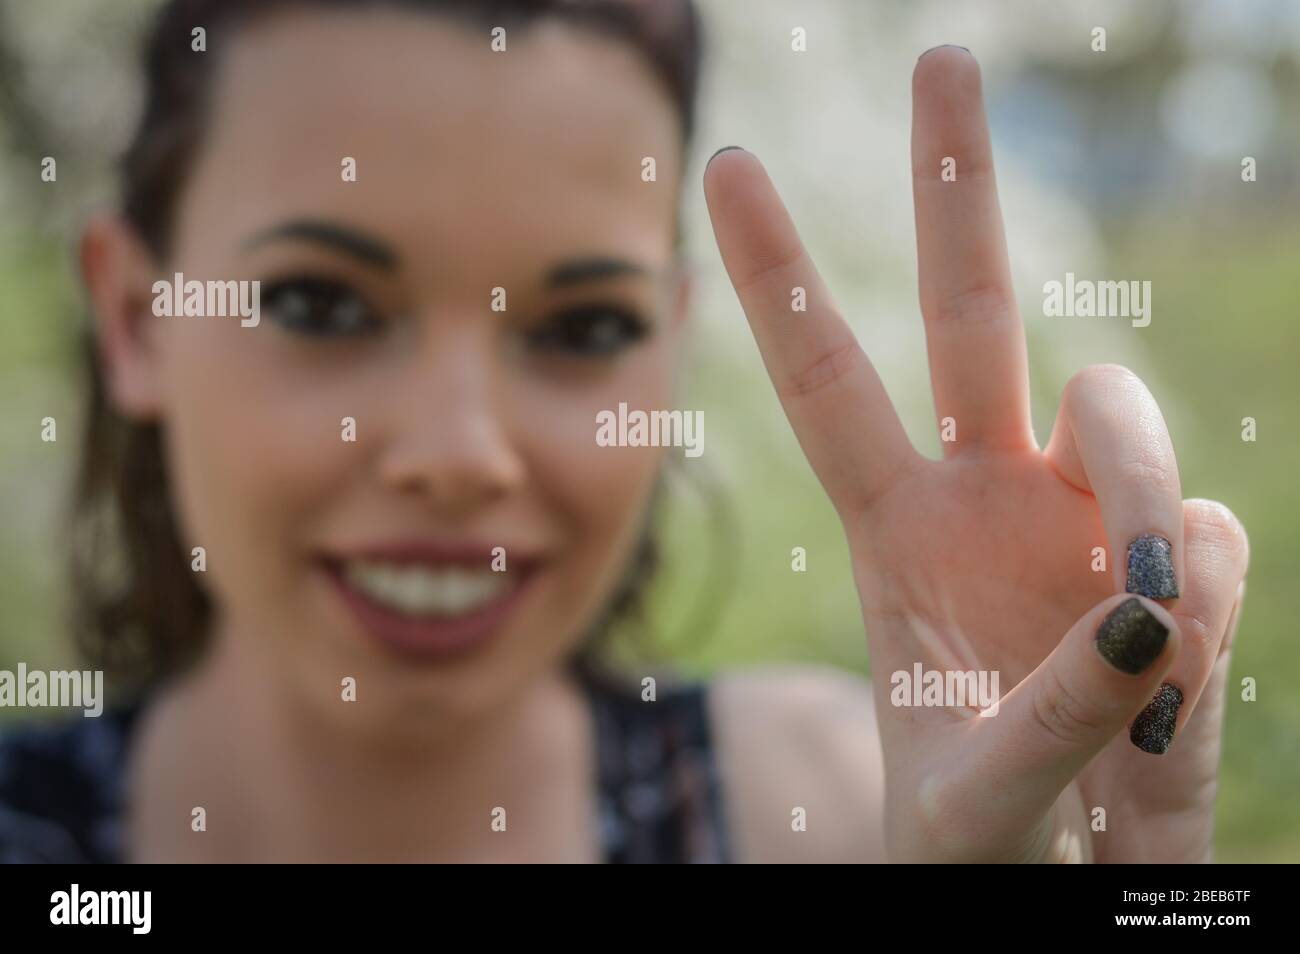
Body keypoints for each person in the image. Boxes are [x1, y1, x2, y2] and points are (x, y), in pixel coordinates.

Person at [0, 0, 1248, 863]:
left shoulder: (832, 812)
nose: (460, 453)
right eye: (321, 305)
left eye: (582, 325)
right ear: (135, 317)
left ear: (670, 338)